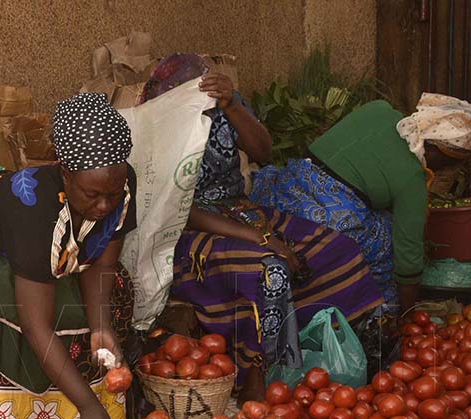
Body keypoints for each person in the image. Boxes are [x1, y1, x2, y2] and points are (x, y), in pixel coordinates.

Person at [144, 54, 384, 401]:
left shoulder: (221, 106)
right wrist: (261, 238)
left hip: (238, 210)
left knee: (339, 250)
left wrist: (232, 105)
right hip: (187, 230)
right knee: (269, 269)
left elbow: (263, 151)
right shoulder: (157, 127)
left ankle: (332, 352)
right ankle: (258, 375)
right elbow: (181, 210)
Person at [0, 93, 135, 419]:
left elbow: (102, 265)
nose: (105, 205)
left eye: (112, 194)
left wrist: (101, 327)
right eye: (93, 194)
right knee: (12, 305)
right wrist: (88, 407)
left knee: (115, 290)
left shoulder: (119, 183)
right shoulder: (32, 213)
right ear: (65, 174)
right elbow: (35, 326)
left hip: (51, 230)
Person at [252, 93, 471, 313]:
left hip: (288, 186)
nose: (447, 169)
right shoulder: (412, 179)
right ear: (434, 149)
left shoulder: (379, 109)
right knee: (385, 240)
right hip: (325, 217)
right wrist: (408, 312)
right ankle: (377, 311)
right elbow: (408, 256)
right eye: (449, 163)